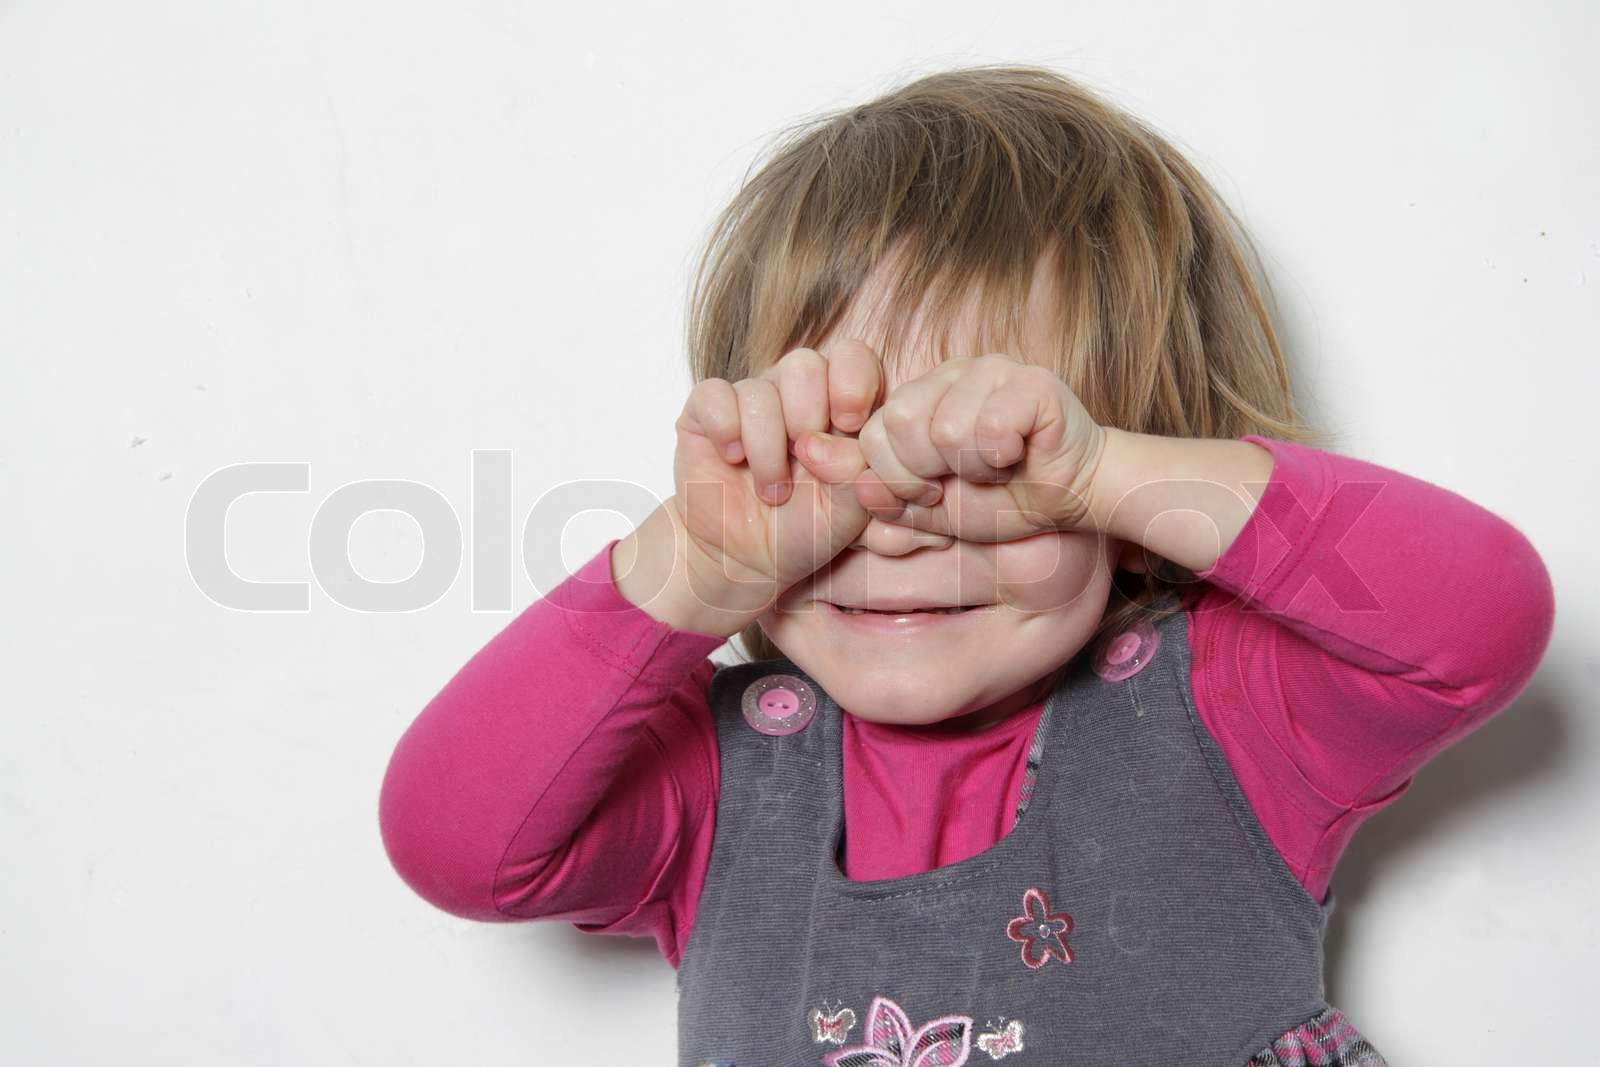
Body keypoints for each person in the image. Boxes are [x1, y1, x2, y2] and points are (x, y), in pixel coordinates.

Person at [377, 65, 1556, 1065]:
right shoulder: (720, 775)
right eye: (834, 456)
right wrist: (693, 564)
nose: (895, 525)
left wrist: (1105, 472)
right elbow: (458, 845)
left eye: (989, 464)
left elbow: (1480, 618)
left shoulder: (1223, 716)